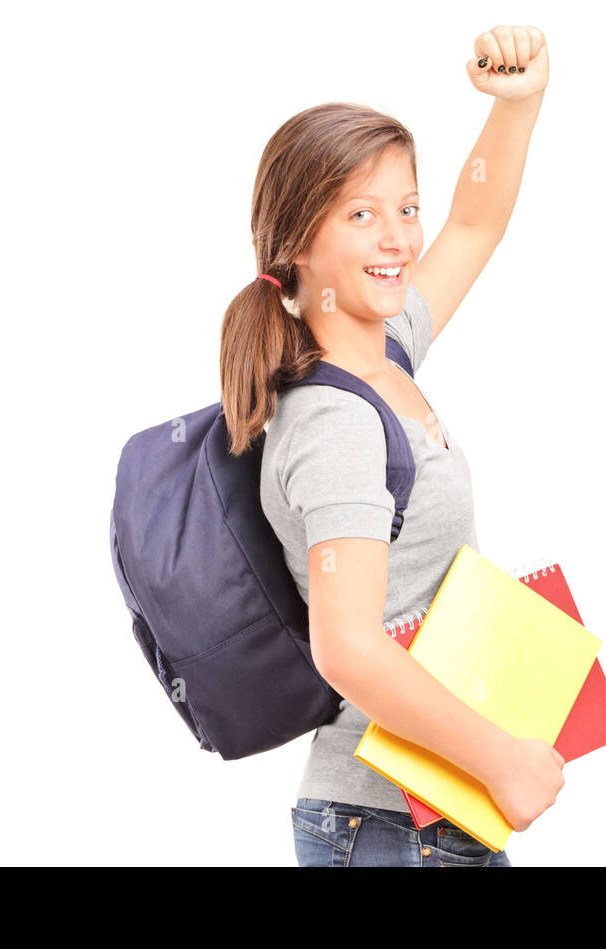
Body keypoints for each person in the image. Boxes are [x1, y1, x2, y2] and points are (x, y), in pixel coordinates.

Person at [220, 26, 553, 866]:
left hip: (437, 813)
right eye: (363, 215)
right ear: (298, 242)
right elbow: (348, 646)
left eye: (406, 209)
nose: (400, 238)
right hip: (390, 826)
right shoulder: (333, 421)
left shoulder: (389, 348)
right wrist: (503, 759)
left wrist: (518, 102)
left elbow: (474, 222)